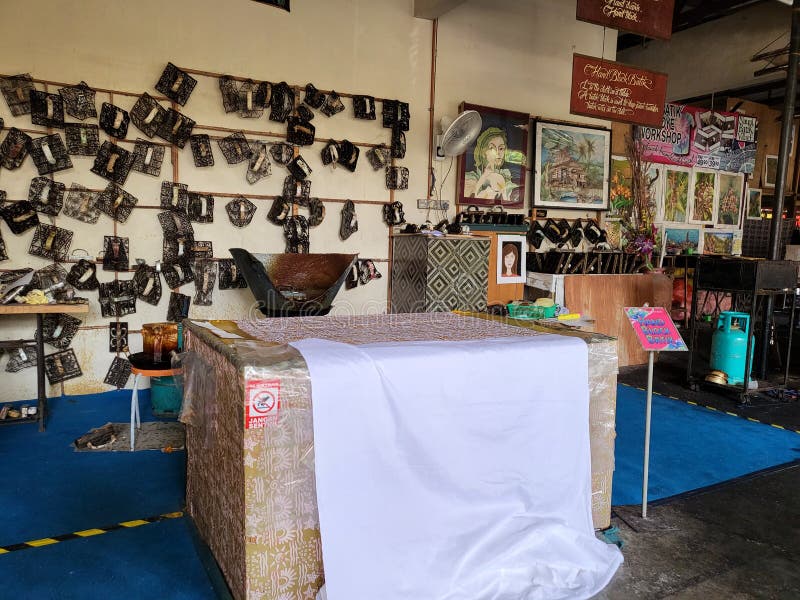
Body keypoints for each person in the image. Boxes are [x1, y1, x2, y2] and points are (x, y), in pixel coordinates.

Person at [464, 127, 518, 204]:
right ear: (483, 152)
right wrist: (484, 176)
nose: (497, 153)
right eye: (492, 148)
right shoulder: (470, 178)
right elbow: (470, 198)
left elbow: (508, 202)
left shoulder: (505, 177)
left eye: (501, 148)